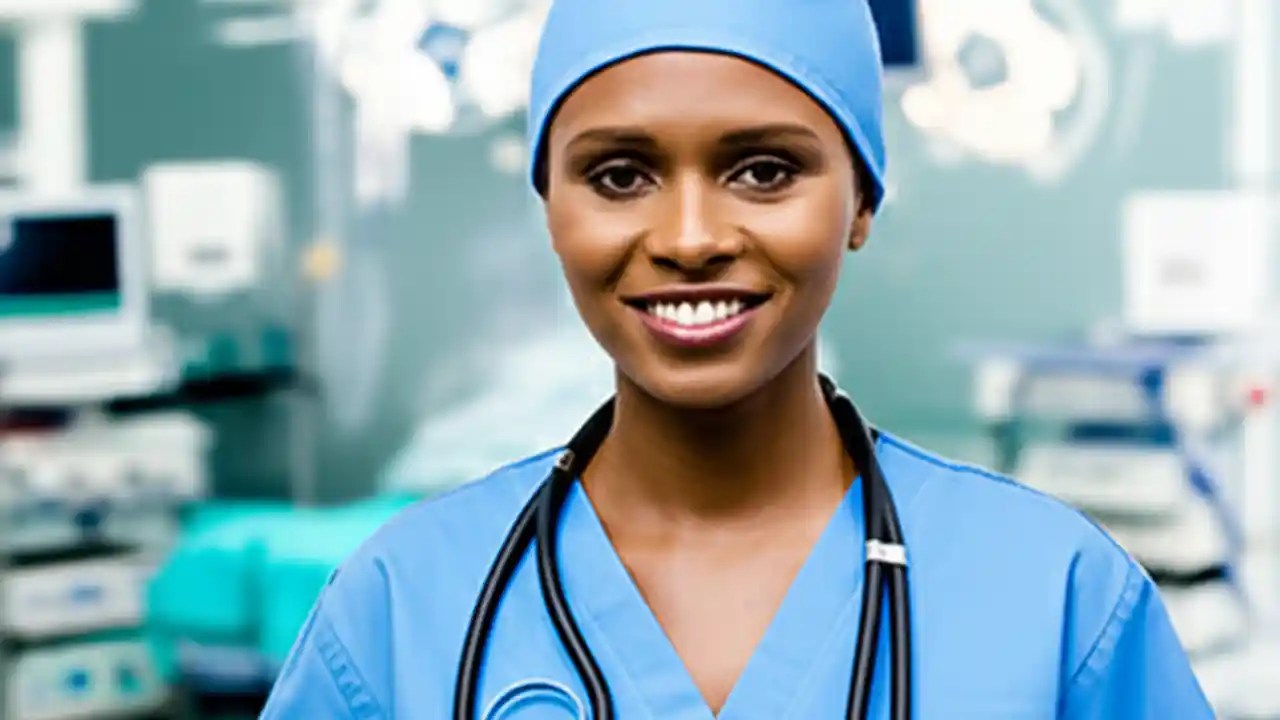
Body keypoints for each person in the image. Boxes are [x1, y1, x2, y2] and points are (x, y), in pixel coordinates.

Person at [261, 1, 1214, 717]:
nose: (688, 237)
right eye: (619, 175)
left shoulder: (1054, 601)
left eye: (763, 170)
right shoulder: (404, 612)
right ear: (549, 205)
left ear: (863, 201)